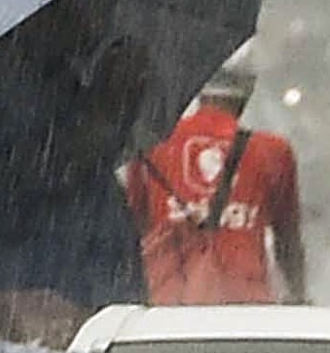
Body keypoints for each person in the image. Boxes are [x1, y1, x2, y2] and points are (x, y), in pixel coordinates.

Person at [0, 12, 156, 348]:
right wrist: (111, 100)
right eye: (99, 8)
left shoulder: (65, 77)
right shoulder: (17, 85)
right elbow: (50, 168)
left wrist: (120, 105)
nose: (102, 24)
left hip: (99, 285)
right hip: (46, 285)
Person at [129, 64, 310, 306]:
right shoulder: (272, 151)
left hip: (169, 301)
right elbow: (287, 241)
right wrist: (298, 296)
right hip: (243, 304)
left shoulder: (153, 146)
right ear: (247, 92)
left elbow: (134, 229)